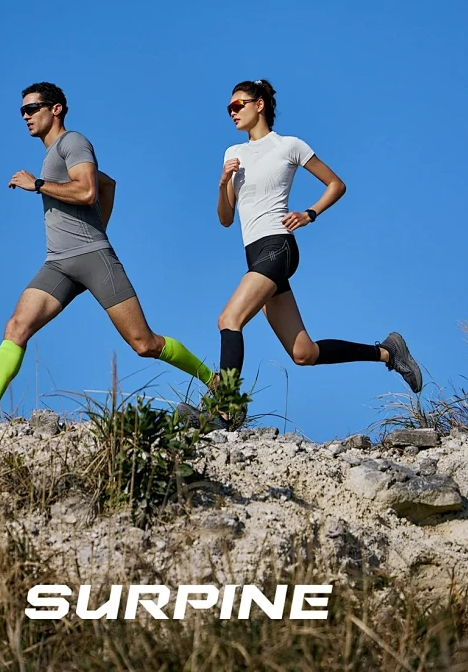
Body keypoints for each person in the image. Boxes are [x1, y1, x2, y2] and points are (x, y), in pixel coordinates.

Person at [0, 82, 215, 423]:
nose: (25, 116)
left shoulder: (73, 142)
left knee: (144, 344)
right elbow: (107, 184)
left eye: (31, 108)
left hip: (93, 258)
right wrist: (98, 222)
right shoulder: (52, 153)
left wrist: (38, 186)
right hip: (57, 264)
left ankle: (217, 383)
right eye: (21, 111)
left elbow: (87, 191)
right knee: (16, 327)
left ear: (55, 109)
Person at [181, 78, 422, 430]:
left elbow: (336, 184)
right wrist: (222, 183)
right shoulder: (233, 154)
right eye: (229, 108)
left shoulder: (289, 146)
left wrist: (310, 214)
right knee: (303, 353)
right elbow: (225, 218)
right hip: (255, 255)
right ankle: (388, 352)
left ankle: (226, 411)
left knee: (229, 320)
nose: (232, 113)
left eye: (238, 105)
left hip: (277, 247)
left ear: (259, 104)